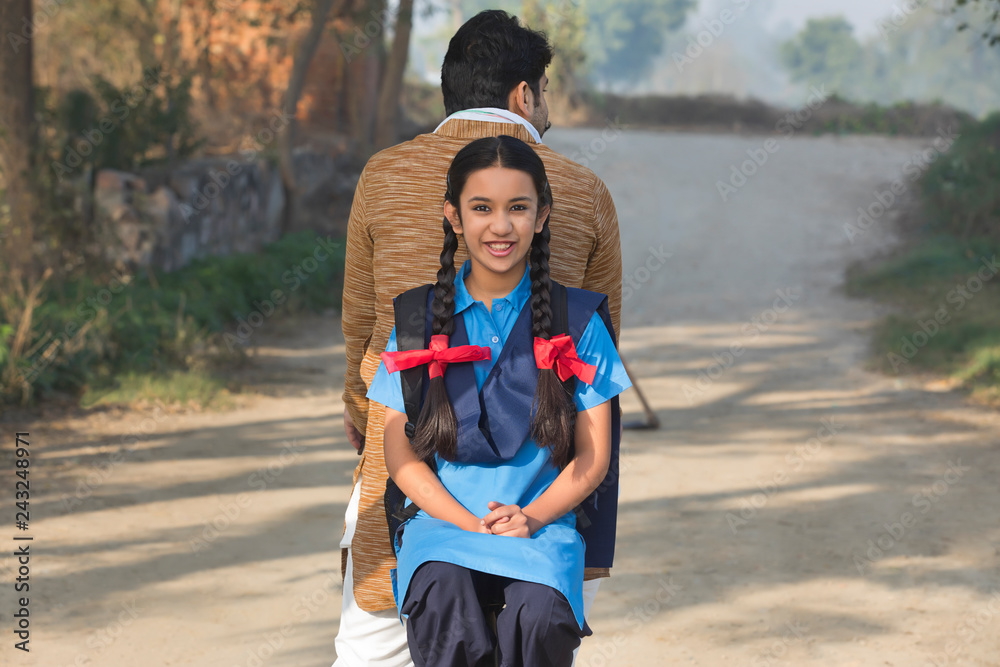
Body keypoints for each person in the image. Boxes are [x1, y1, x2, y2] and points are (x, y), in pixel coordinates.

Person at [335, 10, 623, 666]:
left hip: (411, 480)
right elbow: (598, 347)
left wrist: (365, 418)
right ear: (526, 93)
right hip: (544, 496)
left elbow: (361, 334)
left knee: (371, 654)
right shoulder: (582, 190)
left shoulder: (381, 177)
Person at [369, 134, 631, 666]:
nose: (501, 225)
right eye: (481, 208)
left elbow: (593, 455)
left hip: (542, 527)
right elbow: (399, 450)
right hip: (444, 527)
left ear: (542, 216)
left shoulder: (576, 323)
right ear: (454, 216)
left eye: (518, 207)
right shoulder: (417, 322)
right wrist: (465, 522)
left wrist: (531, 518)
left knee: (538, 618)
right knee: (443, 602)